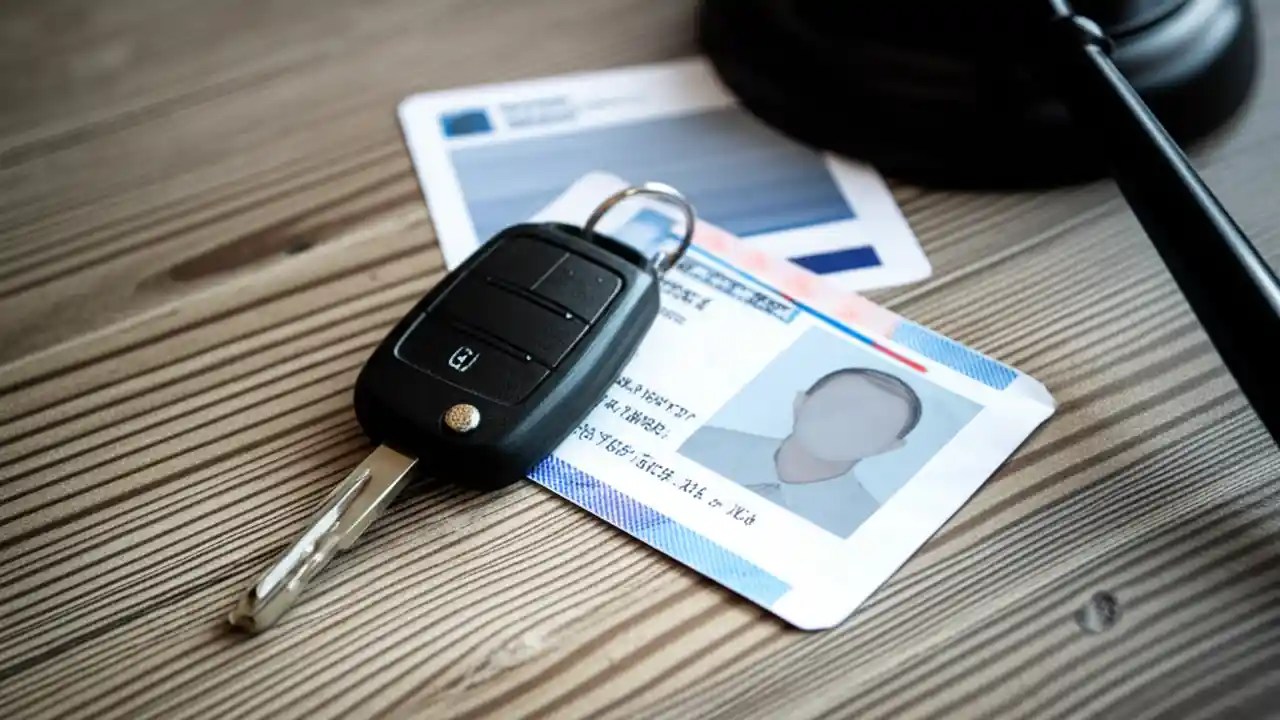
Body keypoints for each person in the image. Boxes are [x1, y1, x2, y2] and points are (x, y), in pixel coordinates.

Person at [680, 367, 922, 537]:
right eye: (836, 405)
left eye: (872, 423)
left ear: (889, 447)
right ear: (800, 403)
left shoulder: (864, 528)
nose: (843, 424)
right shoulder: (696, 442)